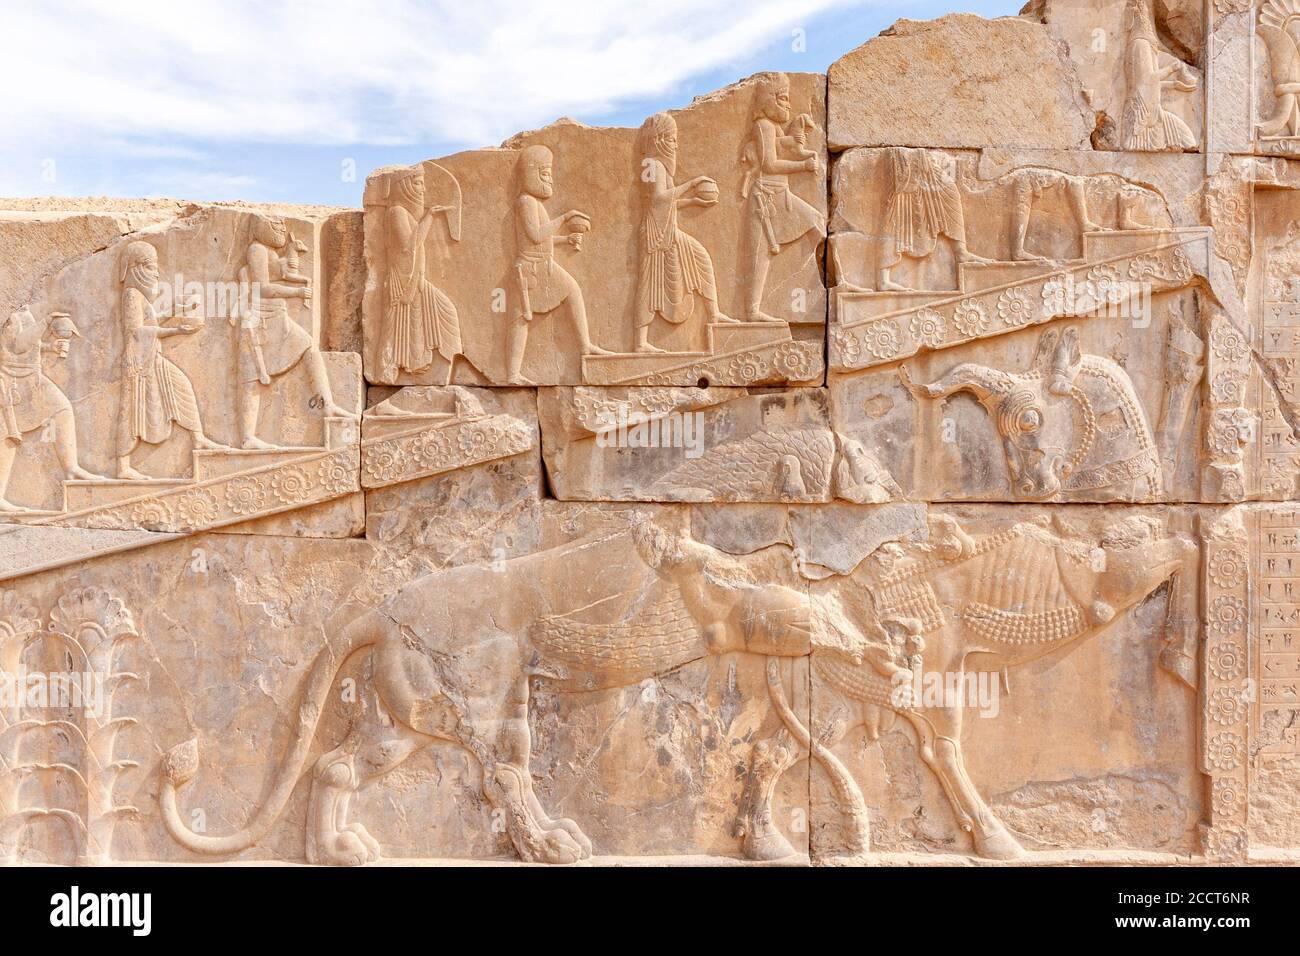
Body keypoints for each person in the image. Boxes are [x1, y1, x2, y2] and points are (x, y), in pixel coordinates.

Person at [234, 215, 358, 449]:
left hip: (277, 317)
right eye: (276, 224)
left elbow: (283, 275)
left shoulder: (268, 251)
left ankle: (326, 404)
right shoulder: (257, 249)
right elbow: (263, 288)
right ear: (262, 226)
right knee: (251, 377)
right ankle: (248, 437)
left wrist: (295, 264)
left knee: (309, 347)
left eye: (282, 225)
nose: (281, 229)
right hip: (260, 318)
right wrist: (296, 293)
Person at [115, 240, 224, 479]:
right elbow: (136, 331)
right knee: (132, 410)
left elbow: (150, 324)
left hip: (151, 356)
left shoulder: (139, 297)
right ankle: (122, 467)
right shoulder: (132, 295)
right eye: (152, 267)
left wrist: (174, 309)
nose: (157, 272)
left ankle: (199, 439)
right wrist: (177, 332)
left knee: (180, 386)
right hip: (139, 361)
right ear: (138, 268)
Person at [507, 145, 610, 384]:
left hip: (543, 265)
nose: (550, 179)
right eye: (545, 174)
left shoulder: (534, 203)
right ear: (531, 174)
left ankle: (585, 346)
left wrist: (565, 240)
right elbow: (535, 234)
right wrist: (563, 218)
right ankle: (512, 374)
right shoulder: (525, 202)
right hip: (531, 270)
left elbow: (541, 237)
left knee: (572, 290)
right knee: (520, 319)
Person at [634, 112, 730, 352]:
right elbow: (658, 200)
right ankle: (640, 343)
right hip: (656, 234)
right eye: (672, 139)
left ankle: (715, 314)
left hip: (667, 230)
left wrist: (694, 201)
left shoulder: (660, 167)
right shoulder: (653, 165)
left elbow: (667, 203)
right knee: (648, 285)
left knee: (701, 259)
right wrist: (692, 184)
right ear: (659, 140)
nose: (676, 144)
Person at [739, 72, 824, 323]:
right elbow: (770, 164)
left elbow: (787, 146)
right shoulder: (763, 126)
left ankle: (808, 279)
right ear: (769, 100)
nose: (788, 103)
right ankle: (753, 311)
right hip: (766, 198)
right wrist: (803, 167)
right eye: (784, 98)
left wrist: (797, 138)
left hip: (780, 196)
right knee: (760, 255)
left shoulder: (774, 127)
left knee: (816, 222)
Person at [0, 308, 103, 509]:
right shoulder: (12, 316)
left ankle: (71, 467)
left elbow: (28, 344)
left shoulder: (24, 312)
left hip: (32, 378)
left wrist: (50, 347)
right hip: (14, 382)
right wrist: (46, 321)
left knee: (63, 409)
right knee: (8, 439)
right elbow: (18, 345)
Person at [378, 166, 462, 383]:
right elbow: (408, 246)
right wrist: (430, 217)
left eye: (423, 183)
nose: (423, 188)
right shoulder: (396, 212)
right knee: (397, 329)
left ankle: (443, 373)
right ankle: (389, 372)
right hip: (402, 281)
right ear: (404, 187)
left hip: (416, 279)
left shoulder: (404, 212)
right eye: (418, 183)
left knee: (443, 314)